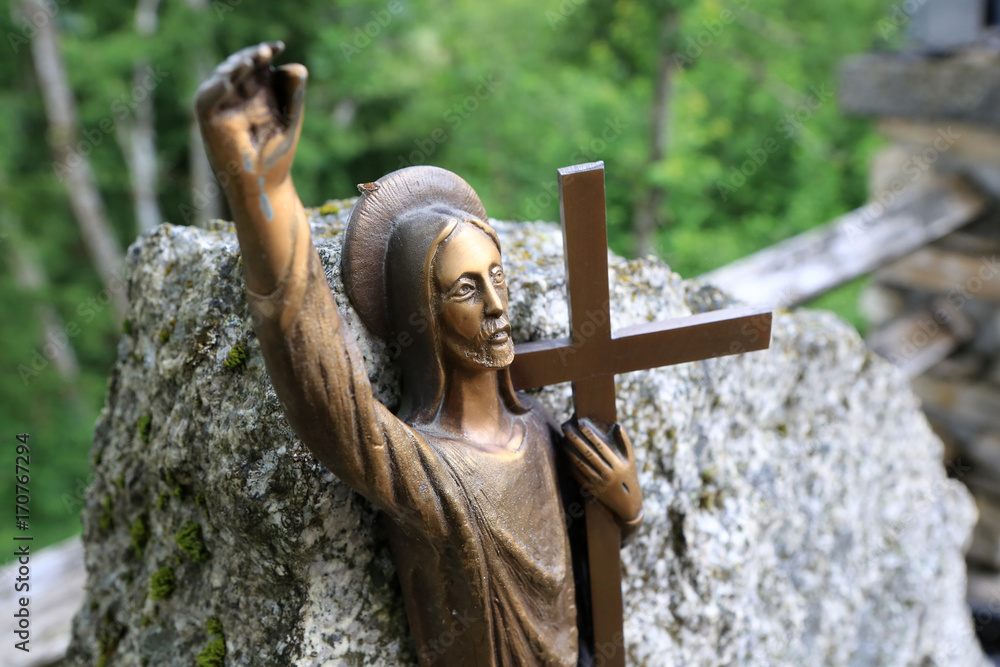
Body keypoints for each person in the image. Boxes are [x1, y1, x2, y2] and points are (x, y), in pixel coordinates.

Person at [196, 41, 643, 667]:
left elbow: (581, 574)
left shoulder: (541, 431)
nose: (495, 305)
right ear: (421, 319)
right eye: (465, 289)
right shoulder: (429, 469)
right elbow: (322, 388)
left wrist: (625, 510)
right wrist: (259, 187)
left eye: (497, 277)